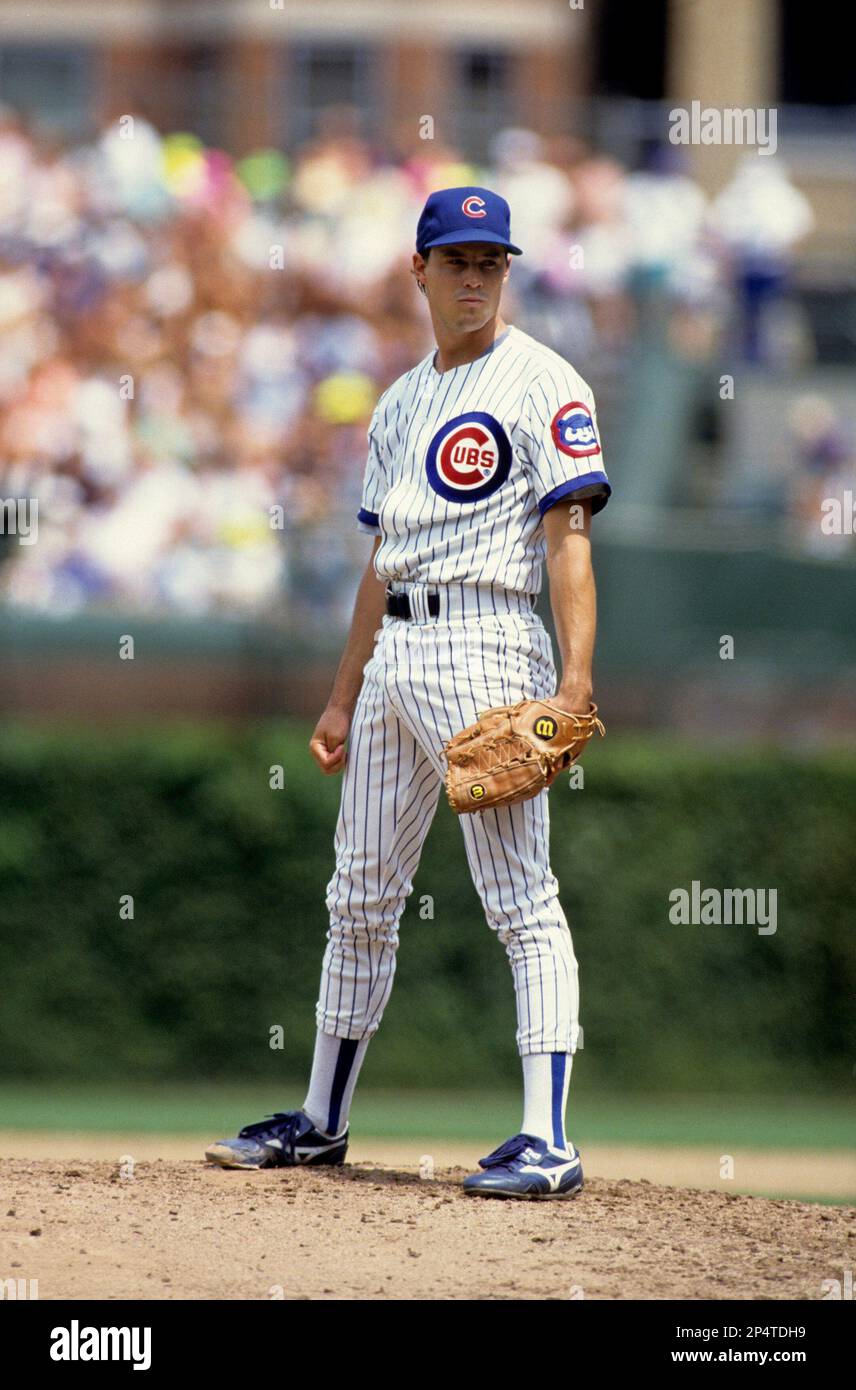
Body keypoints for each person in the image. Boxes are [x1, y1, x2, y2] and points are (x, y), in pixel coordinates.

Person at [205, 186, 611, 1198]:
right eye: (457, 260)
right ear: (418, 270)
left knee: (520, 898)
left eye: (492, 261)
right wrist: (342, 697)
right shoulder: (396, 402)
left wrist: (574, 679)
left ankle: (546, 1139)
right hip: (395, 650)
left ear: (506, 271)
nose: (475, 277)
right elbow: (379, 563)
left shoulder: (542, 381)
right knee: (358, 898)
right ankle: (322, 1119)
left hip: (487, 633)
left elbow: (569, 543)